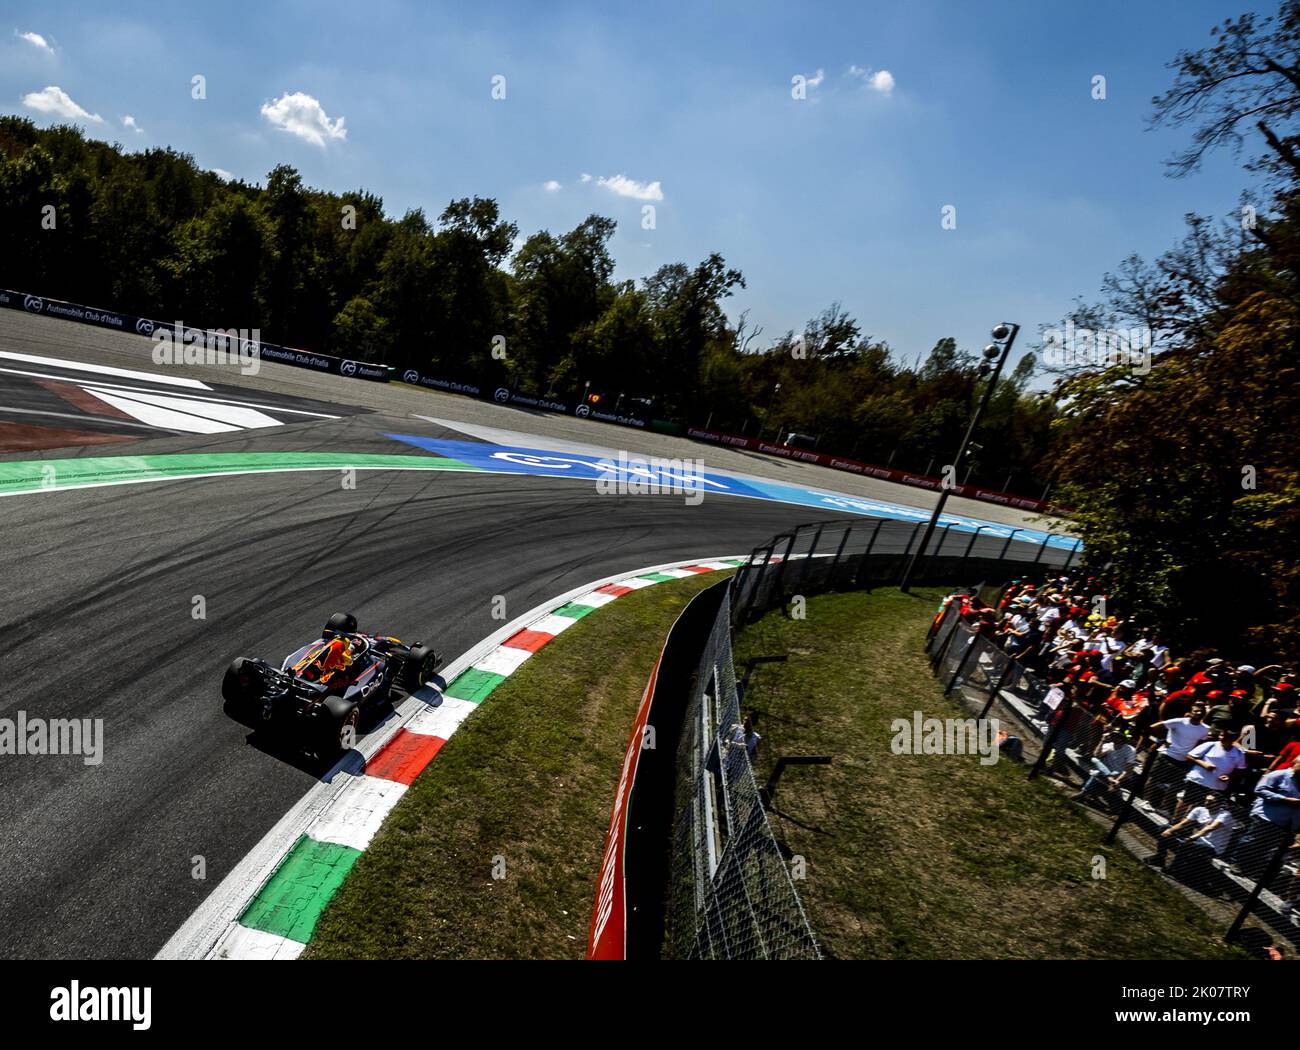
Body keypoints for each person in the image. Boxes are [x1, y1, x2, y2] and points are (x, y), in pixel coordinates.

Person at [1228, 757, 1300, 882]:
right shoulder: (1279, 775)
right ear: (1295, 763)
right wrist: (1284, 799)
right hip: (1265, 816)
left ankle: (1250, 870)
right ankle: (1237, 863)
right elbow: (1259, 790)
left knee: (1265, 847)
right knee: (1251, 841)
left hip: (1284, 822)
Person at [1145, 798, 1236, 891]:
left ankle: (1174, 868)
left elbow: (1210, 828)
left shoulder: (1225, 815)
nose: (1207, 803)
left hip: (1213, 847)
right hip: (1198, 838)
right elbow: (1183, 823)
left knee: (1186, 844)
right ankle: (1160, 857)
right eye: (1206, 800)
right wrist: (1170, 830)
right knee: (1163, 828)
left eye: (1212, 802)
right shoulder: (1200, 809)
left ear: (1219, 804)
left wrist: (1192, 838)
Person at [1146, 703, 1211, 814]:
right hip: (1166, 755)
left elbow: (1200, 743)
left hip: (1183, 761)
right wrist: (1163, 739)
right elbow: (1155, 726)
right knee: (1154, 778)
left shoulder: (1205, 729)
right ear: (1190, 712)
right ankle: (1146, 801)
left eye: (1201, 712)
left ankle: (1164, 808)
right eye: (1196, 711)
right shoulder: (1179, 721)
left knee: (1175, 786)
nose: (1199, 713)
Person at [1176, 729, 1247, 821]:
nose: (1222, 738)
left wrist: (1230, 777)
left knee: (1200, 807)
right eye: (1221, 735)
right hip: (1198, 780)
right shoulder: (1211, 745)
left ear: (1233, 739)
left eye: (1225, 737)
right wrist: (1204, 764)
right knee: (1186, 801)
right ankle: (1175, 821)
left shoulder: (1239, 753)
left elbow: (1240, 769)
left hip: (1216, 786)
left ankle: (1185, 826)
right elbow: (1189, 756)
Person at [1072, 729, 1137, 809]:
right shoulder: (1109, 745)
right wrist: (1102, 740)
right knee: (1094, 760)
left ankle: (1084, 793)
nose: (1113, 738)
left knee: (1097, 773)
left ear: (1122, 739)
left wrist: (1117, 780)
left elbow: (1127, 771)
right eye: (1113, 735)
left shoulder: (1130, 750)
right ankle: (1106, 777)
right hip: (1106, 771)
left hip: (1117, 774)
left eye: (1117, 736)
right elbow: (1096, 755)